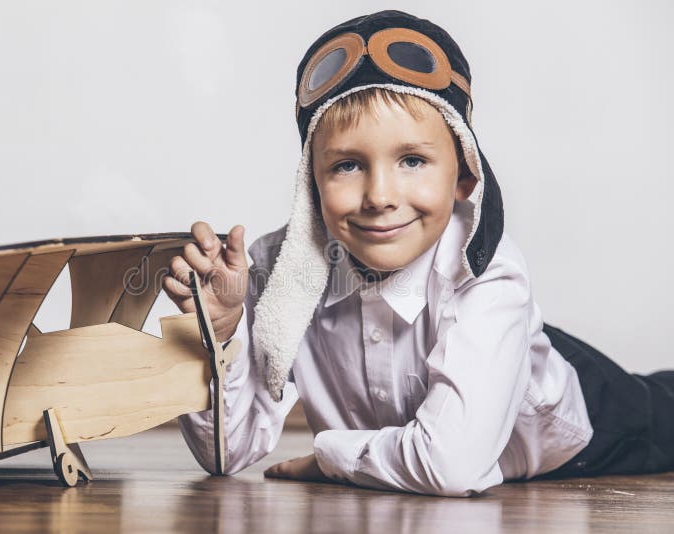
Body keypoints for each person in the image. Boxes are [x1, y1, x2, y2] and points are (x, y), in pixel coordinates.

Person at [162, 10, 674, 496]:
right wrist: (222, 333)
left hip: (582, 417)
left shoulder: (487, 274)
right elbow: (225, 456)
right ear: (310, 185)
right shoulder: (281, 273)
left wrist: (332, 458)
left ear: (465, 174)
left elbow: (450, 466)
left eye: (412, 159)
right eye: (346, 166)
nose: (380, 195)